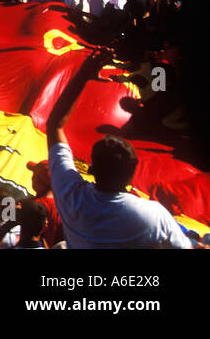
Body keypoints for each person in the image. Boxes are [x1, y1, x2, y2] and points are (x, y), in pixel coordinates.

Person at [46, 55, 190, 248]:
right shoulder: (154, 215)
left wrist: (82, 75)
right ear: (131, 177)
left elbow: (55, 124)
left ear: (92, 168)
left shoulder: (72, 196)